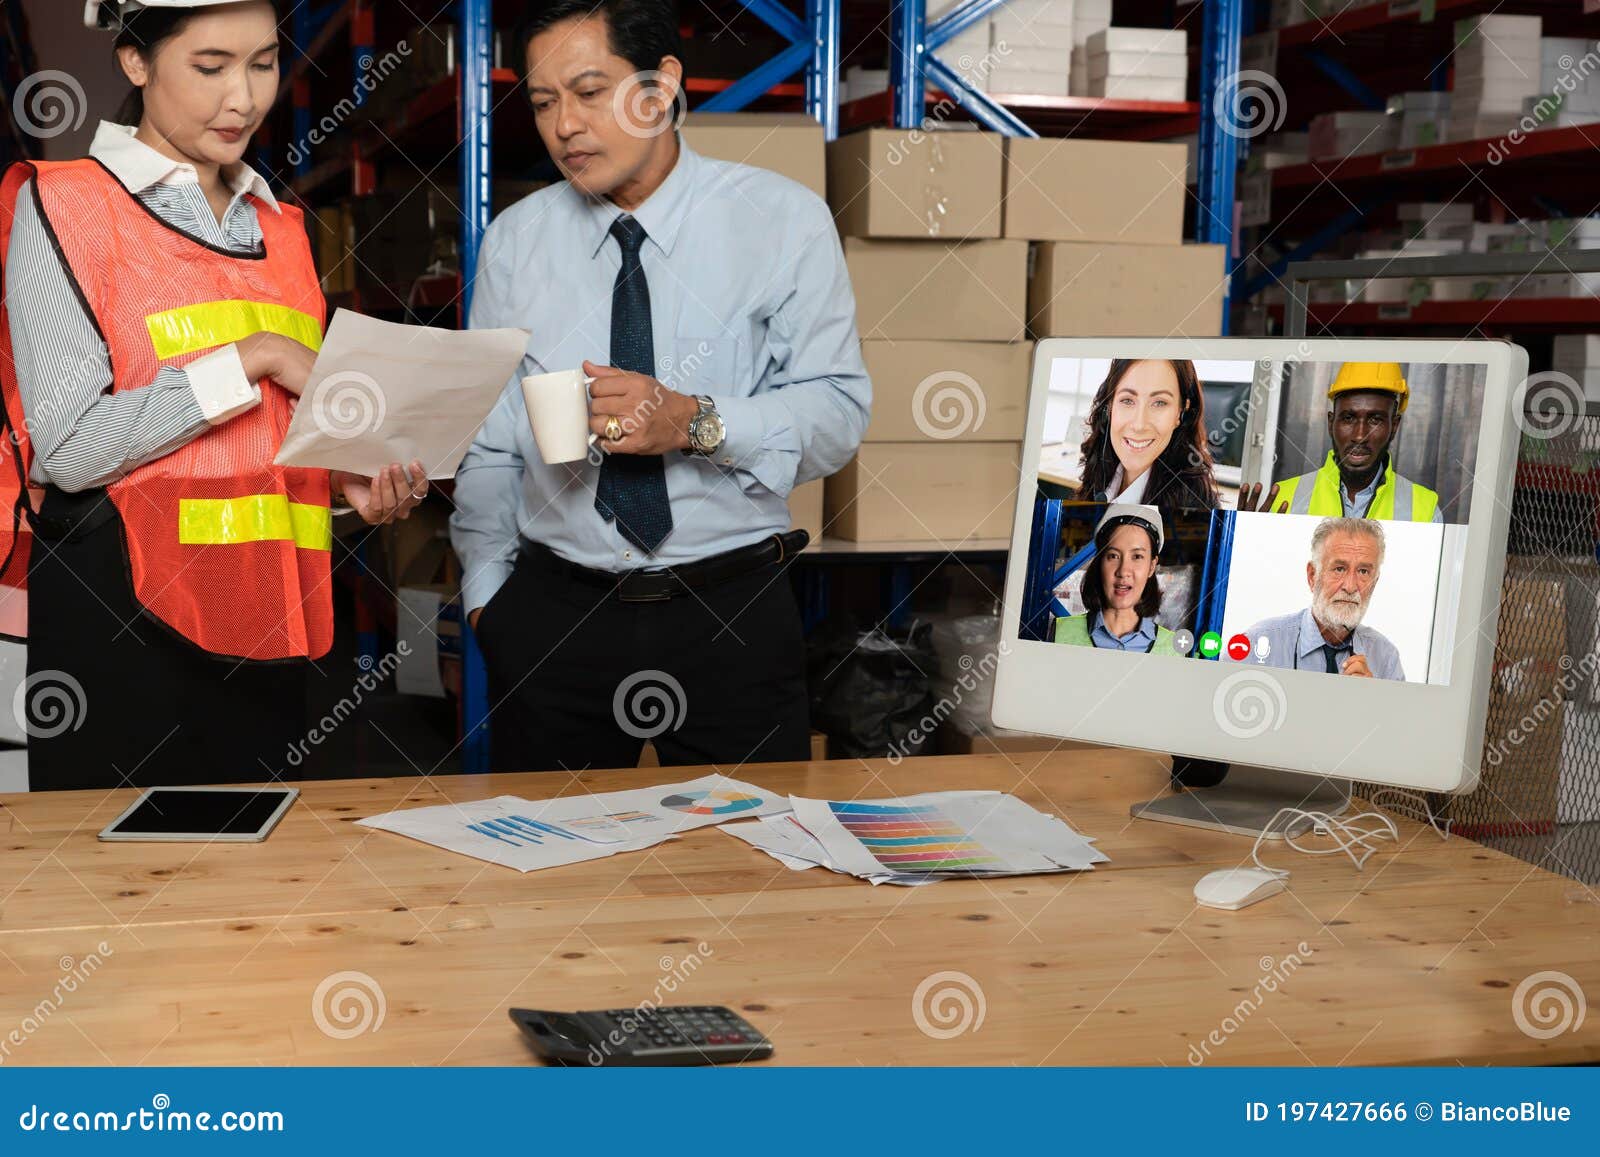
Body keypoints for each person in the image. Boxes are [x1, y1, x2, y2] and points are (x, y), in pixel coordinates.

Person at [0, 0, 426, 791]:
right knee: (121, 895)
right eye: (210, 67)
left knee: (266, 898)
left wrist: (346, 488)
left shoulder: (283, 225)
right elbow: (67, 448)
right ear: (135, 62)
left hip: (273, 620)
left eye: (262, 63)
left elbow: (265, 443)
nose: (244, 98)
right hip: (123, 624)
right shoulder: (64, 204)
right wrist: (255, 356)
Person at [450, 0, 871, 773]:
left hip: (732, 613)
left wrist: (692, 423)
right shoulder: (516, 241)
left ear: (661, 86)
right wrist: (489, 600)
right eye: (543, 103)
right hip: (554, 616)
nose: (564, 126)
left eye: (588, 91)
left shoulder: (782, 222)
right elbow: (489, 440)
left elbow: (839, 413)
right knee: (550, 875)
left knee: (749, 867)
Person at [1241, 361, 1442, 522]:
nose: (1359, 435)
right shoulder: (1282, 497)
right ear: (1331, 423)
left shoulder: (1425, 510)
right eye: (1348, 418)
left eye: (1375, 420)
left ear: (1394, 426)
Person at [1241, 517, 1404, 680]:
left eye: (1363, 572)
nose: (1350, 586)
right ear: (1312, 576)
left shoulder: (1387, 660)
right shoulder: (1256, 643)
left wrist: (1374, 699)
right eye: (1339, 569)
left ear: (1374, 583)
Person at [1075, 359, 1218, 509]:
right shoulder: (1099, 474)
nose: (1139, 425)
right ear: (1109, 407)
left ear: (1181, 412)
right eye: (1127, 400)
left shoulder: (1198, 506)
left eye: (1159, 403)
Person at [1054, 504, 1178, 654]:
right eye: (1113, 556)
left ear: (1151, 567)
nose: (1123, 571)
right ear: (1100, 562)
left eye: (1137, 556)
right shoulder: (1059, 633)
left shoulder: (1174, 649)